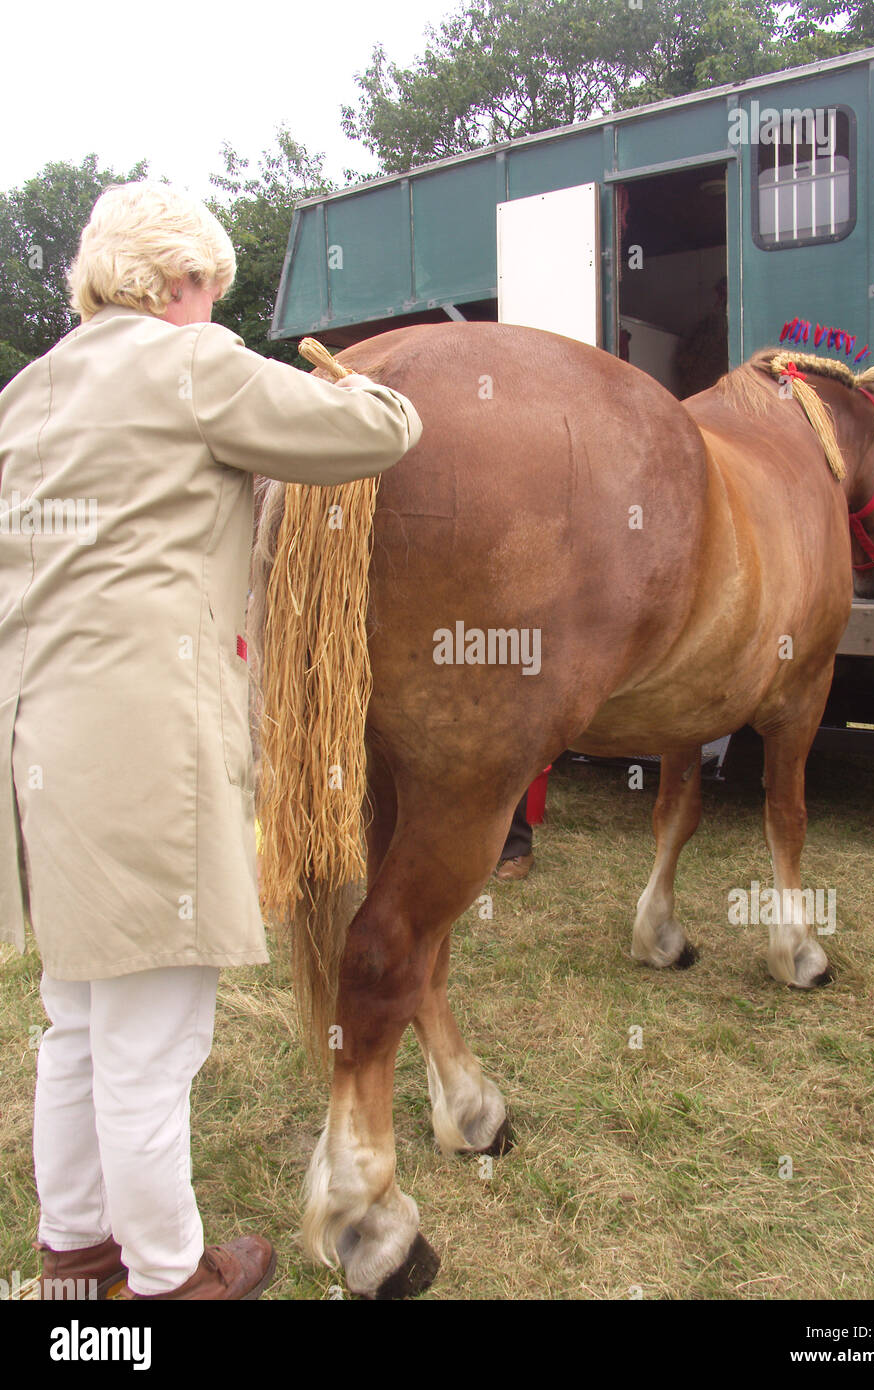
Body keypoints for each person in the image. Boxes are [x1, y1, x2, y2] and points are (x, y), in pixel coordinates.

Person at [0, 181, 423, 1300]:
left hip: (38, 741)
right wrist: (376, 384)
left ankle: (76, 1251)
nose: (213, 310)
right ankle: (170, 1278)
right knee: (153, 1037)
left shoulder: (30, 390)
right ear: (176, 280)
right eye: (209, 290)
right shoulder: (192, 366)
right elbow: (374, 434)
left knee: (78, 1018)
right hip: (149, 749)